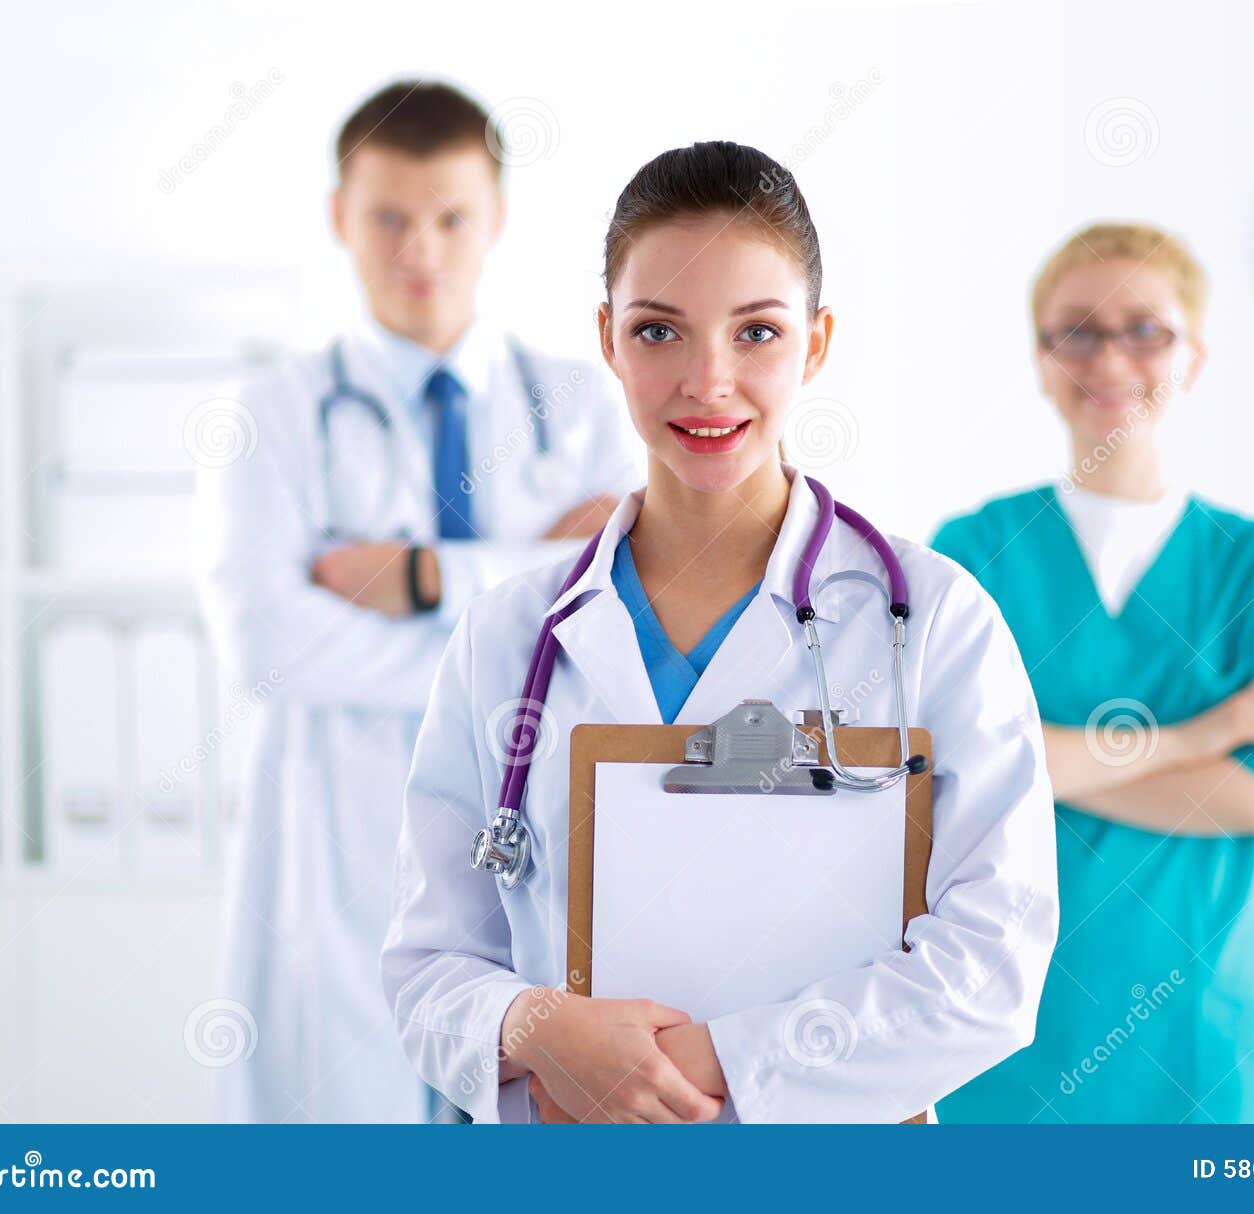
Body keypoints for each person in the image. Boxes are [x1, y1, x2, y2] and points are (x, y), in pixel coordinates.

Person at [379, 141, 1059, 1123]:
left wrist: (714, 1060)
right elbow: (427, 962)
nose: (708, 380)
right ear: (607, 338)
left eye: (756, 332)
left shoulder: (935, 621)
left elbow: (994, 959)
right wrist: (528, 1025)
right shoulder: (509, 635)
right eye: (660, 332)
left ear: (816, 343)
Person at [192, 81, 641, 1123]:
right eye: (389, 216)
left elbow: (614, 613)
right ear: (340, 217)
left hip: (530, 825)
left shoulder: (579, 405)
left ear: (496, 221)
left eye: (450, 217)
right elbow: (269, 648)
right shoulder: (270, 417)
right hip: (343, 846)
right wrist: (518, 572)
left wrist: (423, 578)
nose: (420, 248)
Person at [931, 222, 1254, 1124]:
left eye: (1146, 328)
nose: (1110, 356)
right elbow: (951, 773)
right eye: (1077, 330)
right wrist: (1196, 737)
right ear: (1039, 359)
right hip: (1015, 1007)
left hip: (1205, 1010)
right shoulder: (975, 554)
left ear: (1194, 357)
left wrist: (1042, 761)